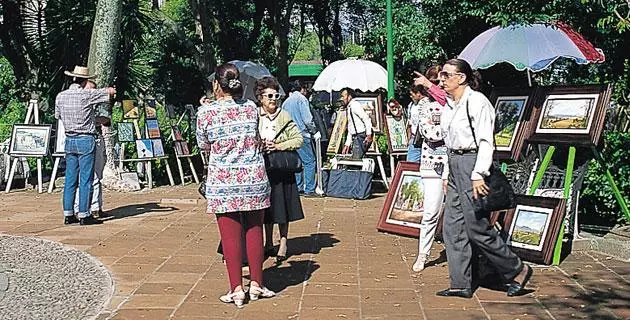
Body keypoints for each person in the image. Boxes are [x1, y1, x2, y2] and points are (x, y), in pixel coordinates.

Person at [437, 58, 532, 298]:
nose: (441, 79)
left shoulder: (477, 102)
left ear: (462, 78)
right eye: (441, 74)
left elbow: (485, 142)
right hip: (455, 163)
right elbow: (449, 143)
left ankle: (516, 269)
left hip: (473, 163)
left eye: (446, 75)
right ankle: (460, 283)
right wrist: (448, 174)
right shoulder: (448, 105)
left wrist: (478, 174)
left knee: (476, 227)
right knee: (452, 226)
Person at [196, 63, 275, 307]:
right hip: (254, 178)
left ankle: (236, 288)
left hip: (223, 182)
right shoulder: (251, 108)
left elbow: (203, 145)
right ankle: (257, 284)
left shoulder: (205, 113)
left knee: (230, 237)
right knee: (254, 231)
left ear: (216, 85)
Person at [55, 66, 115, 226]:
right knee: (86, 178)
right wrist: (112, 89)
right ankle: (84, 213)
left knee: (70, 178)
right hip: (85, 139)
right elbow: (107, 92)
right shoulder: (86, 95)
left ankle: (68, 213)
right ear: (85, 80)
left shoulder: (60, 96)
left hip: (69, 139)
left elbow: (58, 115)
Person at [257, 76, 305, 264]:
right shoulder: (255, 116)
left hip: (282, 167)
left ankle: (283, 243)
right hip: (264, 167)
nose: (273, 99)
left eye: (276, 95)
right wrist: (261, 145)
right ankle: (268, 242)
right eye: (269, 95)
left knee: (283, 207)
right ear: (260, 97)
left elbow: (298, 139)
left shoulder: (284, 115)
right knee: (266, 207)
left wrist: (278, 145)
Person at [411, 69, 449, 272]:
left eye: (443, 80)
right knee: (430, 212)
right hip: (432, 162)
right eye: (436, 81)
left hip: (453, 162)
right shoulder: (424, 105)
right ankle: (423, 253)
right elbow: (430, 132)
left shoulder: (452, 101)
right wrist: (453, 129)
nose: (440, 85)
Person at [73, 80, 111, 219]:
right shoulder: (80, 102)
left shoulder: (94, 103)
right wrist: (99, 120)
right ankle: (83, 208)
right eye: (90, 89)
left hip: (91, 138)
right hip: (88, 139)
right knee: (86, 176)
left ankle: (94, 206)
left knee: (96, 175)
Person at [281, 80, 319, 196]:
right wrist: (314, 131)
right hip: (302, 134)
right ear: (302, 89)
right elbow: (307, 119)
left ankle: (298, 187)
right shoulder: (302, 99)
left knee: (296, 161)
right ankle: (309, 188)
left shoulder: (286, 102)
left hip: (289, 136)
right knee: (309, 162)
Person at [340, 88, 373, 159]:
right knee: (355, 159)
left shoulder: (355, 105)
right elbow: (351, 127)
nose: (342, 98)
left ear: (349, 96)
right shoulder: (349, 107)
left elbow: (366, 118)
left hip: (360, 135)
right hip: (356, 136)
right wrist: (347, 144)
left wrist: (369, 134)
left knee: (356, 160)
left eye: (343, 96)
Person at [406, 85, 425, 162]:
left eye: (412, 94)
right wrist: (409, 138)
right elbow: (410, 123)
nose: (411, 96)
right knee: (411, 162)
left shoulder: (426, 104)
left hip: (424, 138)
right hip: (415, 138)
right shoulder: (411, 106)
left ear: (418, 93)